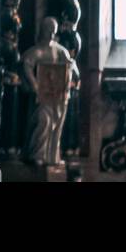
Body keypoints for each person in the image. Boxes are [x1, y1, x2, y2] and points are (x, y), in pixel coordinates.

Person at [21, 17, 77, 166]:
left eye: (54, 31)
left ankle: (52, 157)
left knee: (57, 127)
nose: (51, 34)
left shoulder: (60, 51)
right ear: (43, 30)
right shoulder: (36, 51)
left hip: (59, 96)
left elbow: (69, 67)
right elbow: (26, 65)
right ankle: (37, 154)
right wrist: (35, 85)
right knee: (43, 121)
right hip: (42, 97)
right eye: (49, 30)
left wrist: (67, 79)